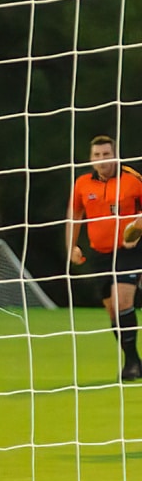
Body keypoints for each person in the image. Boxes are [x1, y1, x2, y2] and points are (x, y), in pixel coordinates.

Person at [67, 134, 142, 380]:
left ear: (115, 155)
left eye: (106, 154)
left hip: (129, 251)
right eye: (97, 155)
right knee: (113, 312)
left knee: (122, 302)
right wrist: (72, 246)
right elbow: (74, 214)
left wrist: (137, 229)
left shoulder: (132, 180)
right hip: (99, 254)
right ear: (91, 159)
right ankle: (133, 360)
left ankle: (131, 365)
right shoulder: (82, 184)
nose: (102, 160)